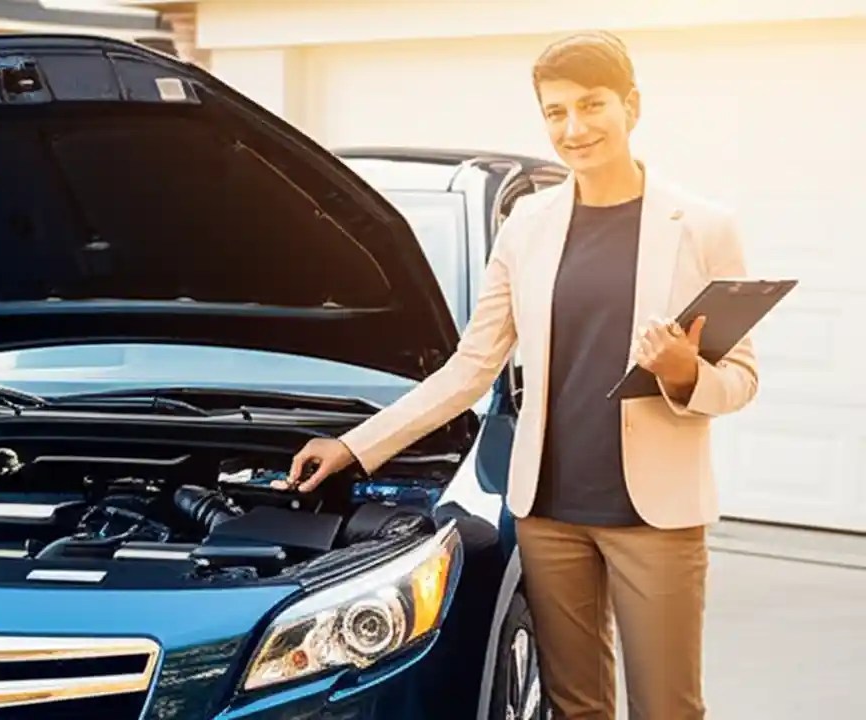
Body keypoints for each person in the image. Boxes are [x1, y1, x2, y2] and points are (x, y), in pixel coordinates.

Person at [280, 31, 758, 720]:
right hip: (549, 512)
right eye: (556, 112)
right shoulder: (528, 225)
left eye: (592, 105)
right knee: (573, 706)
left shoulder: (704, 227)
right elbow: (473, 365)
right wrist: (356, 445)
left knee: (669, 708)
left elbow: (740, 376)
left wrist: (687, 375)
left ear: (632, 106)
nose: (575, 128)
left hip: (655, 517)